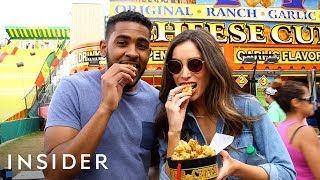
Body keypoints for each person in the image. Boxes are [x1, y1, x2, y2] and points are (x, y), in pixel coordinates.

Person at [155, 29, 296, 179]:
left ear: (212, 66)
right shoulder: (169, 115)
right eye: (176, 66)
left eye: (194, 64)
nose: (184, 75)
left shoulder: (247, 107)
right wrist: (174, 132)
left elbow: (286, 173)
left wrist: (238, 169)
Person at [44, 11, 160, 179]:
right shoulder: (72, 88)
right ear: (104, 48)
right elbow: (53, 172)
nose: (133, 53)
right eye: (122, 43)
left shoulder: (156, 99)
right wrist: (105, 108)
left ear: (148, 53)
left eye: (141, 46)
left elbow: (152, 165)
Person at [276, 81, 320, 179]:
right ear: (295, 102)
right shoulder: (304, 132)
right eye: (309, 99)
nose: (313, 102)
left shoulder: (279, 129)